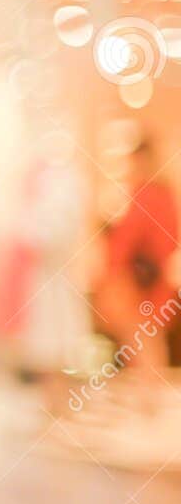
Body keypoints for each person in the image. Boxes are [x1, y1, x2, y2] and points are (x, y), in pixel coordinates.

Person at [0, 140, 88, 414]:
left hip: (53, 284)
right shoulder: (40, 198)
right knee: (47, 352)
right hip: (42, 285)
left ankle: (60, 407)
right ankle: (53, 407)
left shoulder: (59, 192)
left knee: (55, 350)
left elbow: (48, 236)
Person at [95, 137, 179, 406]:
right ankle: (148, 398)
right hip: (147, 279)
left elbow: (130, 239)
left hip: (143, 282)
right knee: (145, 338)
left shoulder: (149, 194)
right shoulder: (157, 193)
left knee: (144, 339)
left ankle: (149, 398)